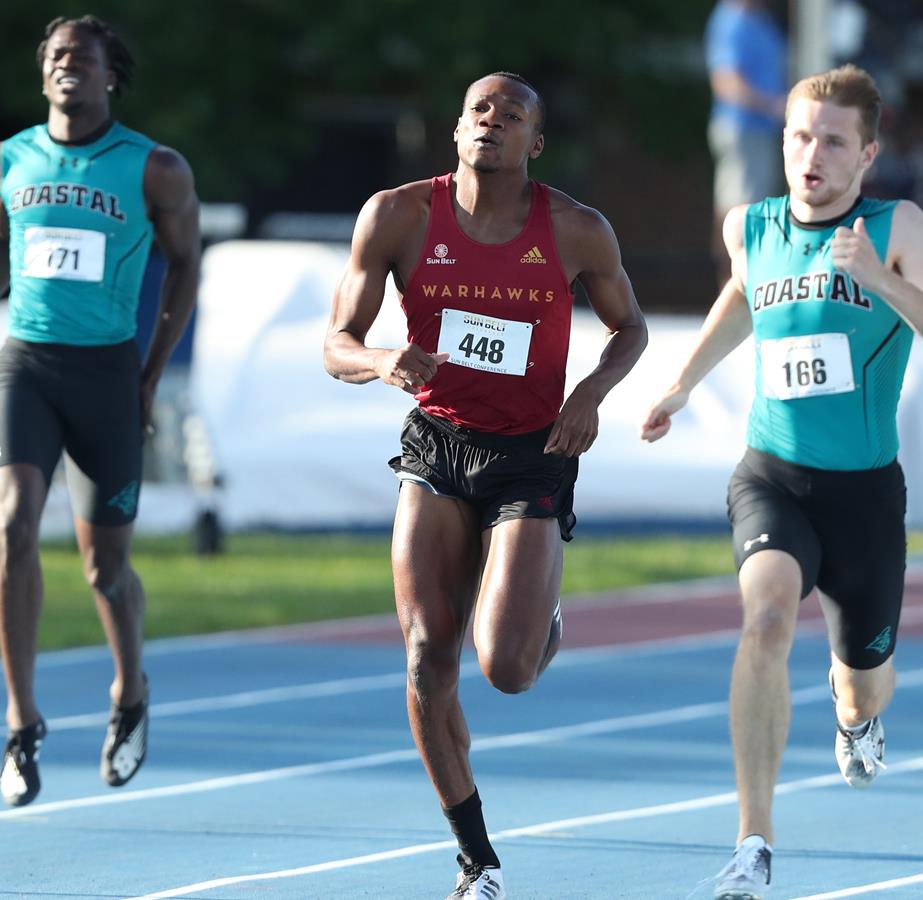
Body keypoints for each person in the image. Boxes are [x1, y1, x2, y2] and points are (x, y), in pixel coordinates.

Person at [640, 64, 923, 899]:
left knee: (865, 681)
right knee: (763, 621)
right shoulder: (748, 225)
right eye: (799, 136)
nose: (811, 154)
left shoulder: (896, 226)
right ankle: (753, 842)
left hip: (864, 494)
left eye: (832, 140)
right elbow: (744, 297)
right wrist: (681, 383)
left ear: (867, 153)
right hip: (773, 478)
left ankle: (851, 706)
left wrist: (884, 281)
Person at [323, 72, 648, 899]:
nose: (491, 123)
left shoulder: (576, 229)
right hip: (436, 445)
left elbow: (629, 328)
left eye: (512, 116)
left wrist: (588, 395)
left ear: (535, 143)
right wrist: (378, 360)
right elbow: (338, 341)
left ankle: (541, 620)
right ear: (457, 128)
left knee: (505, 668)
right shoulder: (396, 214)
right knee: (429, 657)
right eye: (479, 111)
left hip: (531, 453)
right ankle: (477, 857)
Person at [0, 15, 201, 807]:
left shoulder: (154, 168)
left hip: (108, 374)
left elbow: (186, 266)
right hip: (28, 363)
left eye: (82, 58)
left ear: (110, 75)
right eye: (54, 57)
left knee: (103, 567)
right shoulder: (6, 159)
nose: (66, 69)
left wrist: (150, 376)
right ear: (41, 72)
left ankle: (129, 692)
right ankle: (22, 723)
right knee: (13, 522)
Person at [705, 0, 788, 264]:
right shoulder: (731, 20)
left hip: (760, 133)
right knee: (738, 212)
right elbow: (725, 81)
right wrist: (773, 105)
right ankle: (731, 290)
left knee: (754, 209)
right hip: (742, 131)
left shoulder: (760, 18)